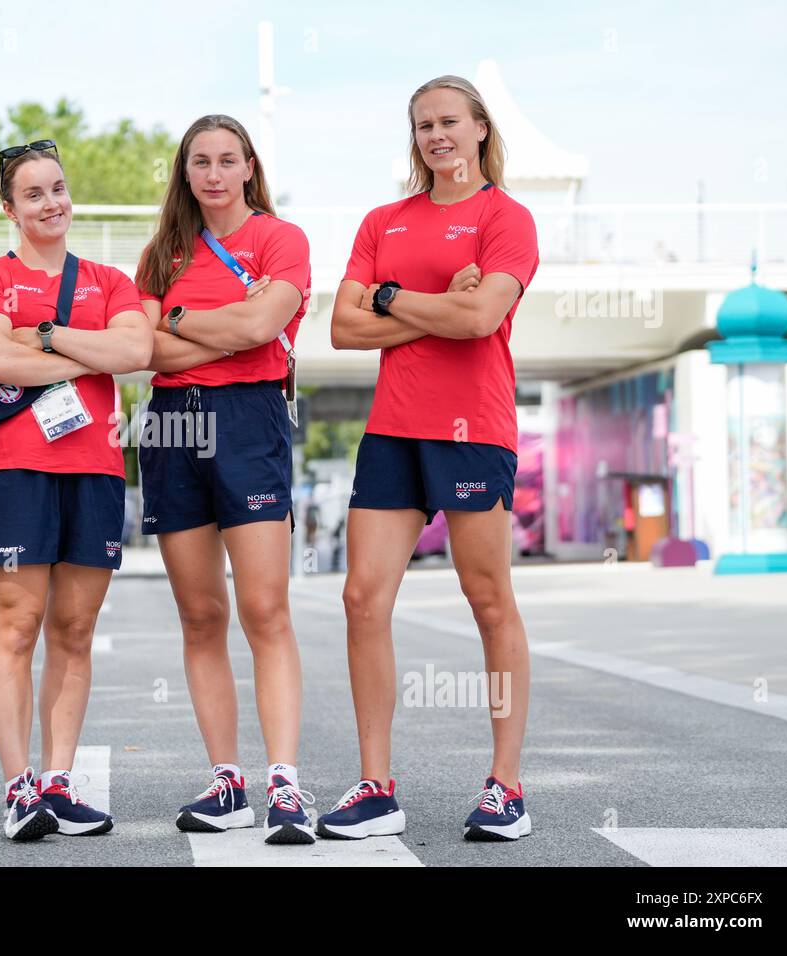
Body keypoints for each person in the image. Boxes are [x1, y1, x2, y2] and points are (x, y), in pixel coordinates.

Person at [321, 75, 539, 843]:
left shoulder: (505, 217)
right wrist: (433, 305)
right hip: (393, 431)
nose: (435, 135)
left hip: (472, 430)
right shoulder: (385, 219)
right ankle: (377, 786)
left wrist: (390, 299)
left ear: (480, 128)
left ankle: (506, 787)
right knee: (360, 598)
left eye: (449, 121)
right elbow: (342, 330)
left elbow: (481, 318)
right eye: (422, 125)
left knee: (488, 601)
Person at [0, 139, 151, 841]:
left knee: (75, 632)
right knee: (15, 629)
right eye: (34, 194)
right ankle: (19, 789)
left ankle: (59, 783)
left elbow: (135, 353)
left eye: (59, 189)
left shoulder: (110, 279)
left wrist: (40, 335)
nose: (51, 204)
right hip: (17, 471)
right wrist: (82, 347)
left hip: (96, 471)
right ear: (9, 208)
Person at [134, 114, 315, 845]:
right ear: (184, 172)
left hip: (250, 420)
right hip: (172, 423)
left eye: (226, 160)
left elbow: (260, 329)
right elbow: (149, 350)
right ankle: (227, 782)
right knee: (201, 616)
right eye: (199, 161)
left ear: (248, 167)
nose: (212, 173)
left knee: (265, 609)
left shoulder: (280, 239)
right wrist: (214, 324)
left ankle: (285, 783)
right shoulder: (160, 255)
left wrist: (183, 321)